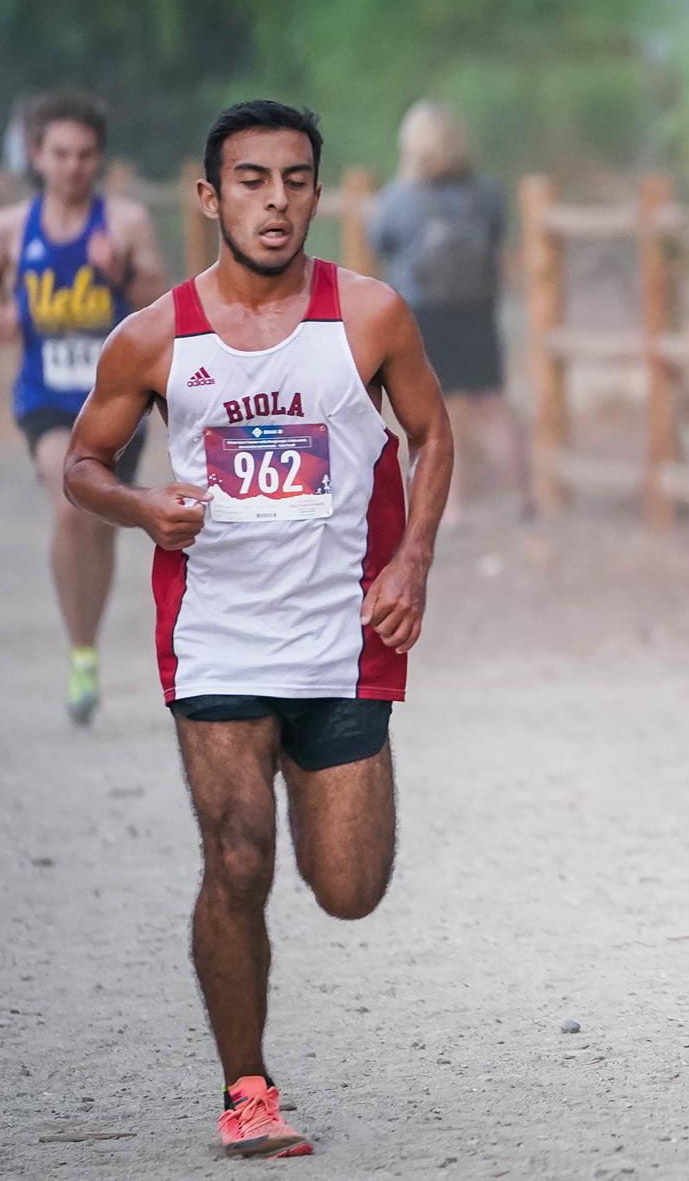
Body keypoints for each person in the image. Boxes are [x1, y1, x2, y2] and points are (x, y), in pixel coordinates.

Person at [63, 101, 453, 1158]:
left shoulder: (368, 315)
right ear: (209, 196)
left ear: (318, 194)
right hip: (218, 637)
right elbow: (82, 464)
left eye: (293, 180)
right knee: (237, 859)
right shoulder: (153, 337)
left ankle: (307, 767)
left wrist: (412, 558)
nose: (273, 201)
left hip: (345, 638)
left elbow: (428, 430)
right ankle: (248, 1089)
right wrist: (146, 510)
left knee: (349, 888)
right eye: (250, 180)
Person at [0, 91, 165, 723]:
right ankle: (79, 650)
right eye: (60, 154)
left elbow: (157, 295)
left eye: (84, 155)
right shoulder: (10, 226)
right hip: (45, 394)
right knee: (68, 502)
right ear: (37, 155)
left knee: (99, 523)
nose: (73, 167)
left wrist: (121, 274)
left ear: (99, 158)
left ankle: (88, 643)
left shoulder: (127, 222)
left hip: (114, 395)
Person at [369, 99, 529, 521]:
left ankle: (452, 509)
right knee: (492, 402)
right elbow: (497, 236)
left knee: (437, 413)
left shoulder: (401, 197)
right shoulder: (486, 193)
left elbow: (380, 240)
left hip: (425, 315)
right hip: (477, 309)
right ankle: (521, 497)